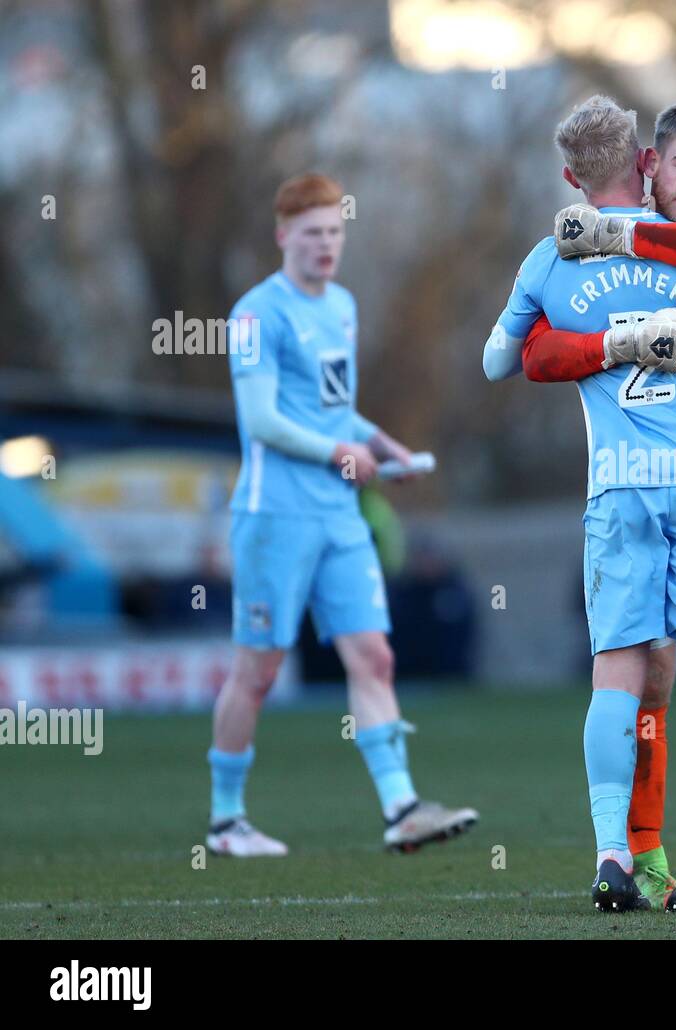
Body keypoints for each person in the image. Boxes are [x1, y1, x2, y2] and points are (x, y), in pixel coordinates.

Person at [484, 96, 676, 911]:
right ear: (651, 163)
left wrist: (600, 327)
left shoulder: (555, 258)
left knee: (618, 677)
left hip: (619, 485)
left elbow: (502, 360)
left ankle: (613, 853)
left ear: (568, 176)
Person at [209, 172, 477, 856]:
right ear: (282, 237)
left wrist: (379, 443)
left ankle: (401, 807)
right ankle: (226, 818)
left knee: (374, 655)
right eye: (312, 234)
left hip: (339, 517)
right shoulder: (255, 315)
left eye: (334, 232)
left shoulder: (344, 306)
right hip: (276, 517)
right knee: (259, 671)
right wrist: (339, 451)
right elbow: (262, 420)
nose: (326, 245)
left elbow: (330, 407)